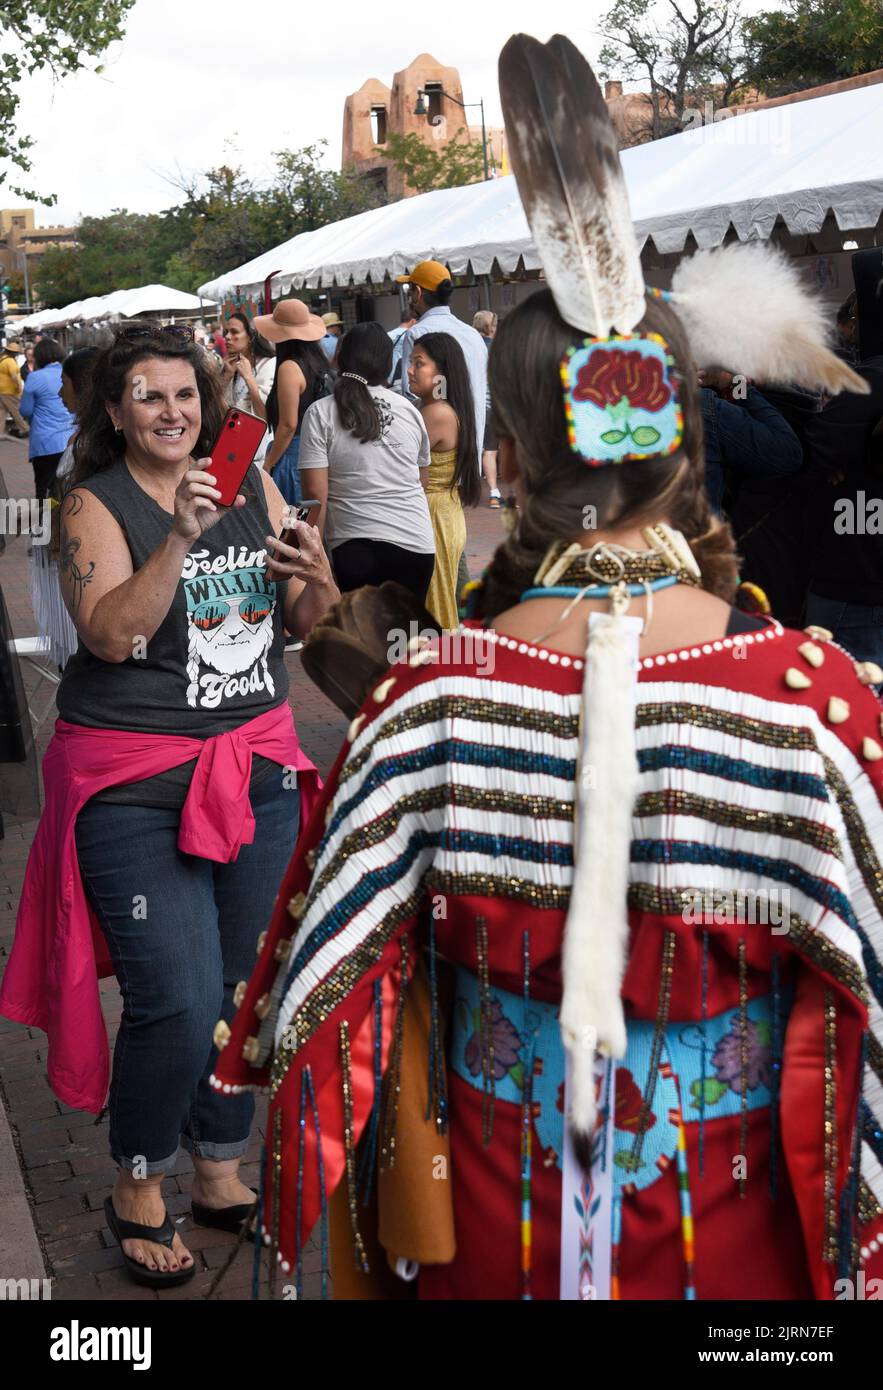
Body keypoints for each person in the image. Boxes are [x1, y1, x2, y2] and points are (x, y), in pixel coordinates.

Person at [212, 32, 883, 1304]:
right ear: (682, 439)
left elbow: (317, 1007)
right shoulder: (817, 700)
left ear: (509, 455)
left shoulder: (430, 702)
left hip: (490, 1235)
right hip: (743, 1261)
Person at [0, 323, 338, 1290]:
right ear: (114, 411)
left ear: (209, 403)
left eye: (185, 396)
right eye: (148, 397)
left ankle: (217, 1165)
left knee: (240, 992)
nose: (172, 413)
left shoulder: (256, 483)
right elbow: (110, 636)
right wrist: (185, 534)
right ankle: (139, 1181)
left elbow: (309, 628)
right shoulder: (87, 506)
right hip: (132, 782)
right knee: (179, 998)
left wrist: (313, 573)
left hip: (256, 768)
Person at [298, 322, 435, 602]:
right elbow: (422, 480)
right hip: (416, 547)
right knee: (404, 639)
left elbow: (315, 496)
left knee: (362, 640)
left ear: (340, 357)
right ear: (387, 364)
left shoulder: (320, 413)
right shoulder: (409, 410)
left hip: (355, 550)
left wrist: (318, 559)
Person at [804, 247, 883, 667]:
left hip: (854, 582)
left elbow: (811, 455)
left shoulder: (863, 380)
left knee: (843, 713)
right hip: (856, 575)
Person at [30, 347, 101, 669]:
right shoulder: (84, 439)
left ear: (82, 385)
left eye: (65, 383)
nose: (60, 391)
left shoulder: (92, 445)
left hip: (82, 564)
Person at [406, 332, 480, 629]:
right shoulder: (441, 407)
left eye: (419, 363)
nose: (410, 370)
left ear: (442, 372)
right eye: (411, 362)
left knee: (435, 605)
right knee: (446, 596)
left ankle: (440, 665)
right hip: (444, 511)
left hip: (433, 515)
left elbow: (403, 466)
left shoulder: (435, 413)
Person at [396, 260, 488, 450]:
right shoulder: (473, 335)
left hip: (436, 451)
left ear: (418, 293)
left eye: (410, 292)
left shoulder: (416, 333)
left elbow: (409, 392)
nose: (409, 297)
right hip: (473, 448)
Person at [257, 299, 329, 507]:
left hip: (292, 457)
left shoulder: (289, 367)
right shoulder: (317, 362)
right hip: (317, 453)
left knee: (289, 527)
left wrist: (269, 463)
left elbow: (288, 425)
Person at [19, 337, 75, 500]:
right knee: (68, 487)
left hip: (44, 442)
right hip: (70, 439)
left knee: (43, 488)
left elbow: (26, 410)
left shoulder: (35, 377)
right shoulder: (69, 372)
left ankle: (44, 523)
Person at [221, 312, 276, 465]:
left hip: (260, 454)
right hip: (232, 449)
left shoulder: (269, 365)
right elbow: (220, 409)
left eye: (234, 332)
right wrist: (226, 378)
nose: (227, 337)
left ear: (251, 336)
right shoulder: (229, 367)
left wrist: (249, 378)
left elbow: (265, 415)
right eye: (226, 332)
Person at [473, 309, 502, 507]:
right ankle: (500, 494)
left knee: (481, 450)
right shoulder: (499, 350)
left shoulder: (470, 348)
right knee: (494, 450)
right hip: (497, 405)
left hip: (477, 405)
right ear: (491, 327)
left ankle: (489, 492)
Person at [0, 340, 29, 438]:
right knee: (16, 411)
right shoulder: (10, 361)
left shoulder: (3, 359)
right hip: (10, 391)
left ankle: (0, 432)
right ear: (13, 352)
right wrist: (18, 388)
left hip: (2, 390)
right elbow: (14, 377)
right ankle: (25, 429)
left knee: (2, 412)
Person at [388, 308, 416, 385]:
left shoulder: (388, 335)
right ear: (413, 321)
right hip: (405, 377)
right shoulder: (412, 335)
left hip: (389, 379)